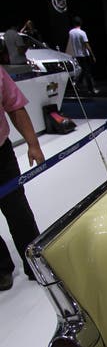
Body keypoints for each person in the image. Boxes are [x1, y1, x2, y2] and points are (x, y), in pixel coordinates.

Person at [0, 66, 44, 290]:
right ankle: (1, 267)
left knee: (18, 209)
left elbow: (15, 107)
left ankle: (36, 261)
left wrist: (33, 144)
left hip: (1, 155)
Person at [67, 17, 99, 94]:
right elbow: (87, 45)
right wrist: (92, 55)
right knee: (88, 72)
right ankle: (91, 89)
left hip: (76, 55)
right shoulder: (82, 33)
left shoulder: (71, 32)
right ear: (81, 23)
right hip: (84, 55)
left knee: (80, 71)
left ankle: (75, 83)